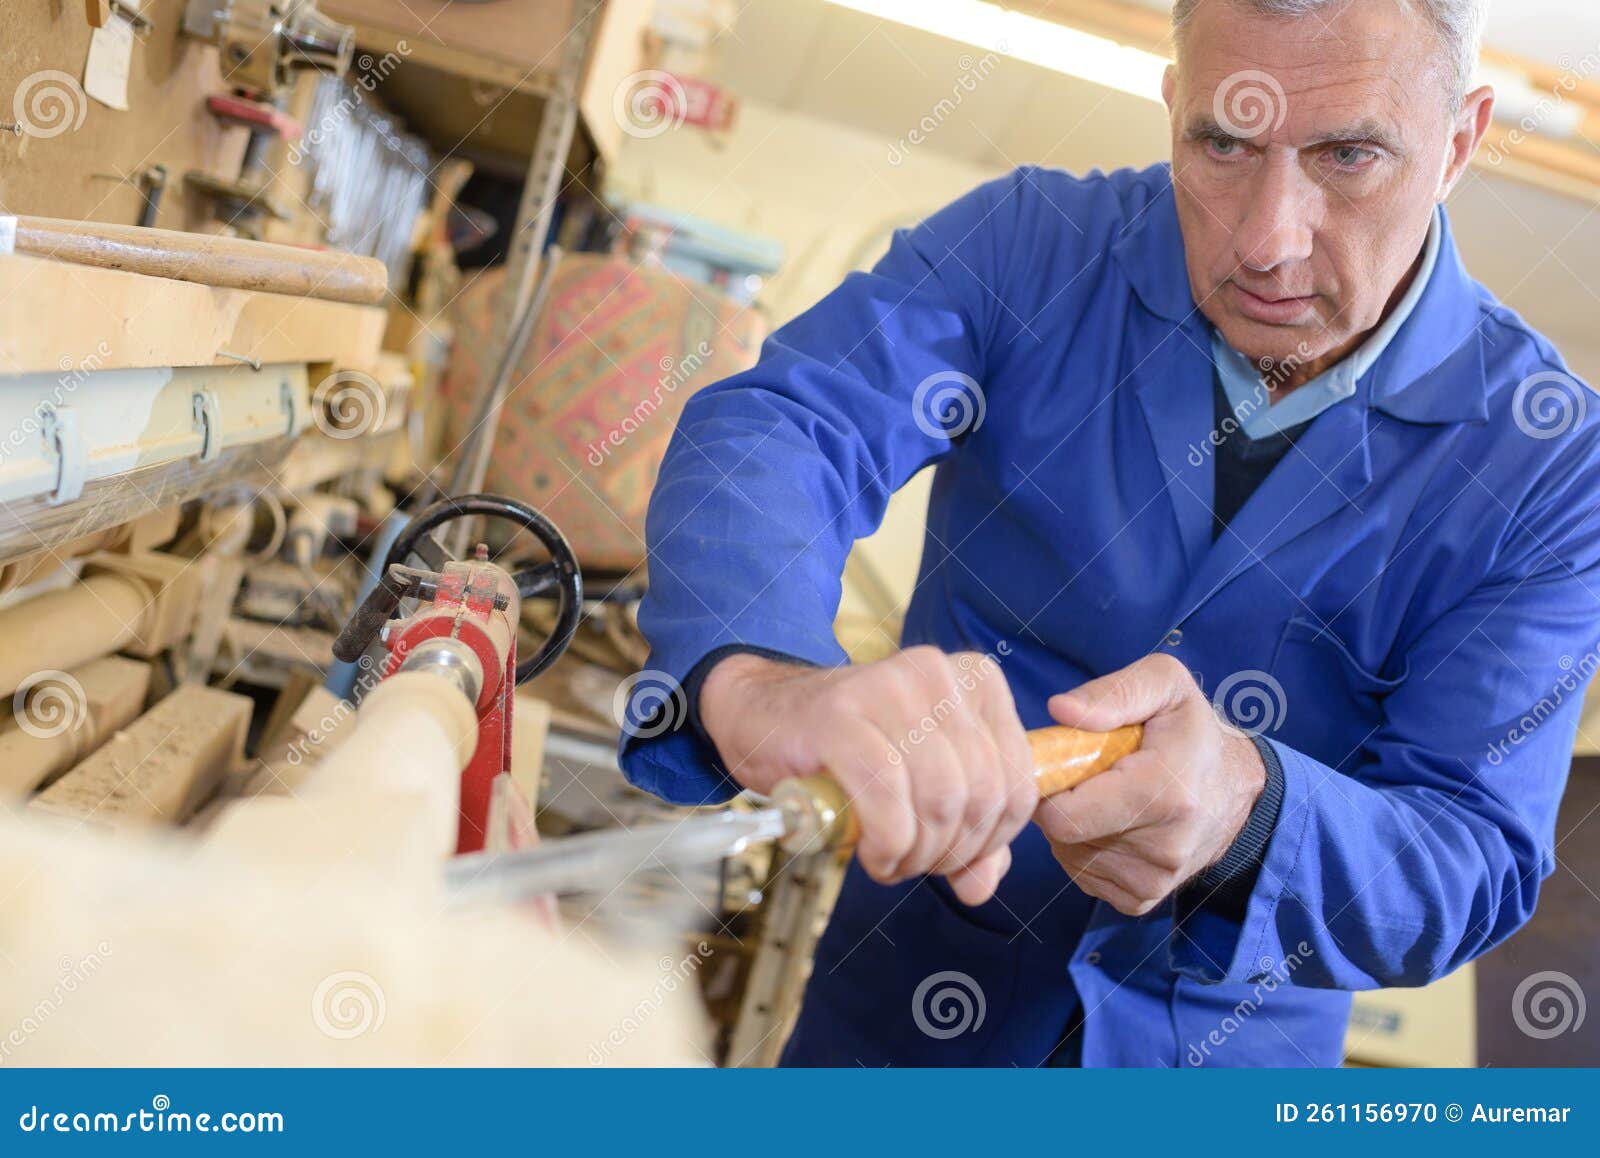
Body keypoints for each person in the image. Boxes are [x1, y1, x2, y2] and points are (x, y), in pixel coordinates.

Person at [620, 0, 1600, 1066]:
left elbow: (1468, 854)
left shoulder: (1552, 464)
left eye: (1350, 156)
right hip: (900, 1027)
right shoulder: (1027, 247)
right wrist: (762, 675)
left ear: (1457, 142)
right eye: (1223, 144)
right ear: (1173, 104)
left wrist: (1248, 814)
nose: (1267, 242)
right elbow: (787, 428)